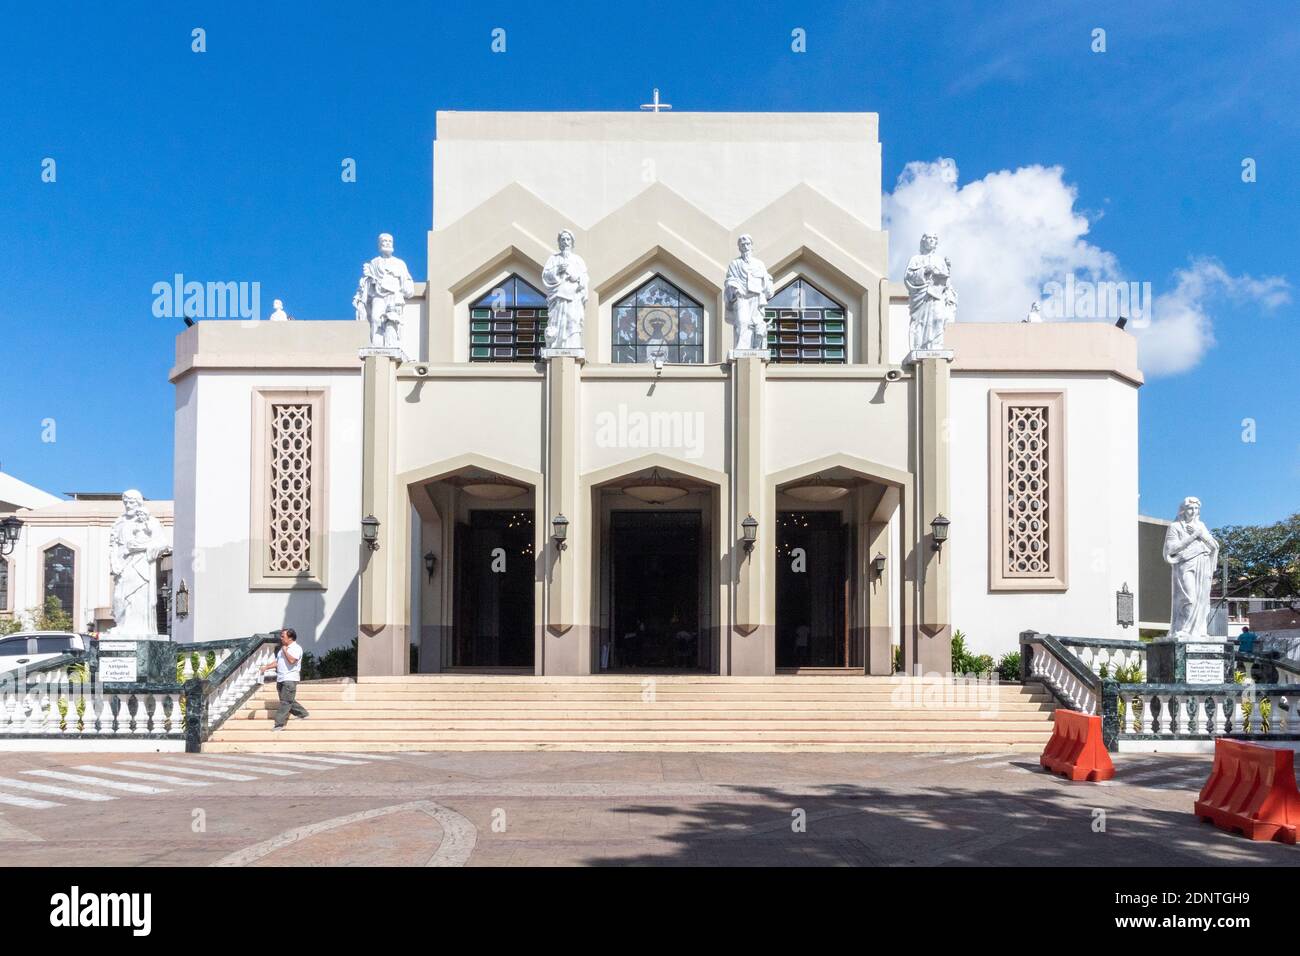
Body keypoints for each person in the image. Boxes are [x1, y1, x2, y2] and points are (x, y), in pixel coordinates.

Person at [261, 628, 309, 731]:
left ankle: (279, 724)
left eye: (283, 636)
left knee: (285, 702)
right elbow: (278, 662)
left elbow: (292, 660)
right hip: (281, 678)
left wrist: (285, 651)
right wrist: (266, 667)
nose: (281, 638)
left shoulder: (296, 648)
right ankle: (303, 714)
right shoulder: (282, 649)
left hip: (290, 678)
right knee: (286, 700)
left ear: (290, 638)